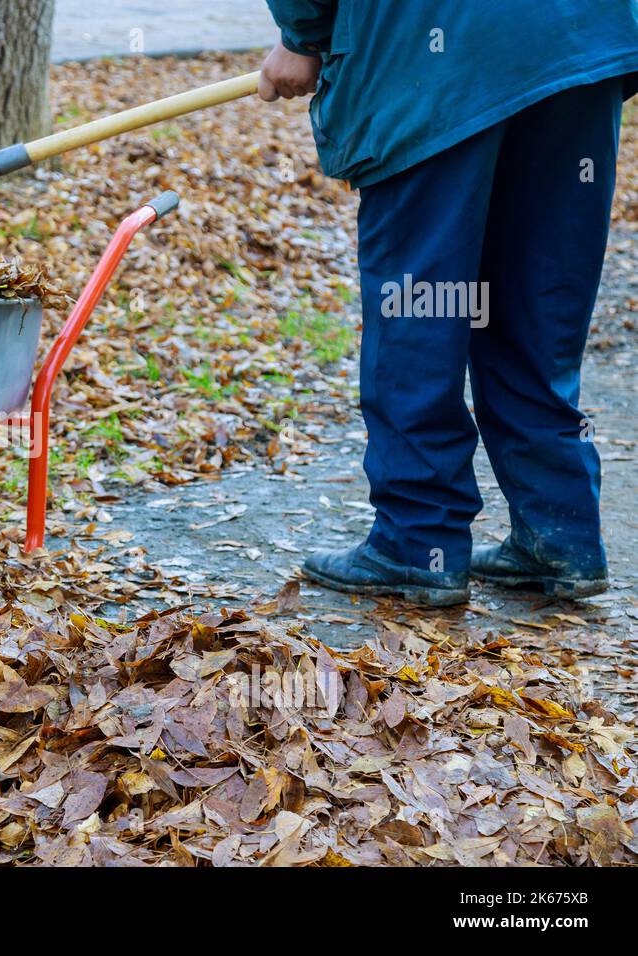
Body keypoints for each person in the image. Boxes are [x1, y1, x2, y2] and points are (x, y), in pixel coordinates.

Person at [259, 0, 638, 606]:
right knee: (536, 298)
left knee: (423, 307)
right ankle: (561, 535)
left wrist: (301, 35)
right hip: (576, 37)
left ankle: (417, 544)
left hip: (436, 54)